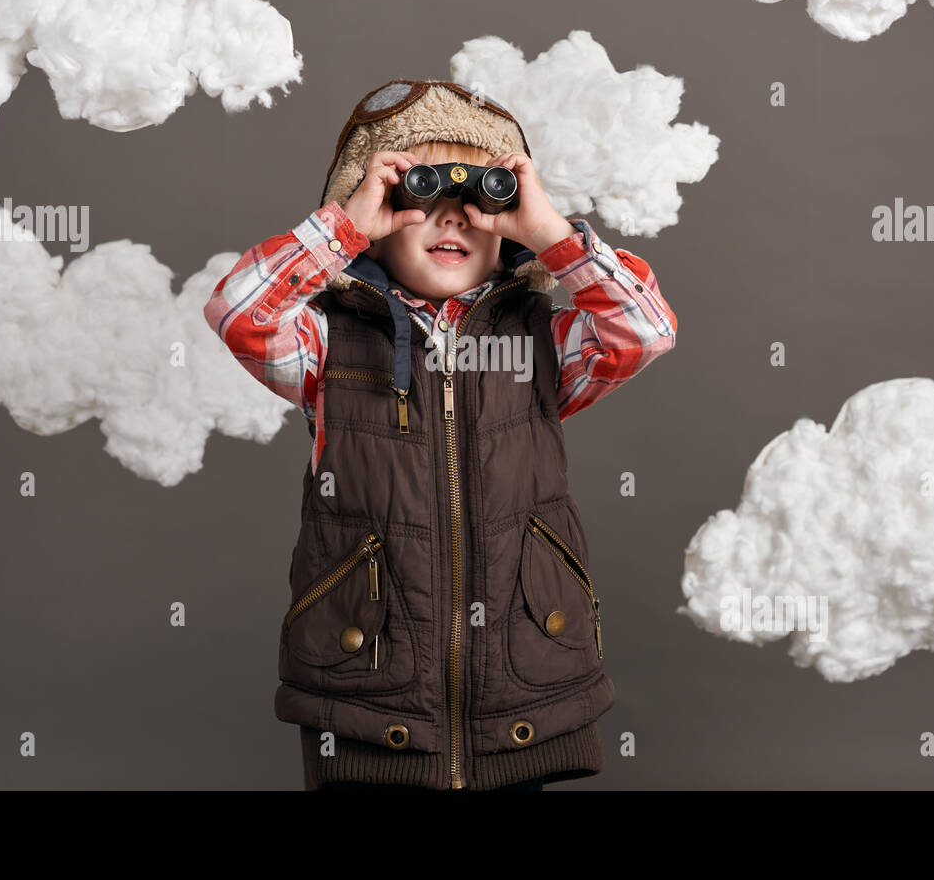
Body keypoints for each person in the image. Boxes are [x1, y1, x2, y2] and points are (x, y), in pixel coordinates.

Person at [203, 79, 677, 790]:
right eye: (417, 196)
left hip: (521, 691)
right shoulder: (330, 341)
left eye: (481, 200)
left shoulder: (541, 341)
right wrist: (344, 227)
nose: (451, 218)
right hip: (369, 692)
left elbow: (646, 329)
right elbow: (239, 311)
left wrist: (549, 232)